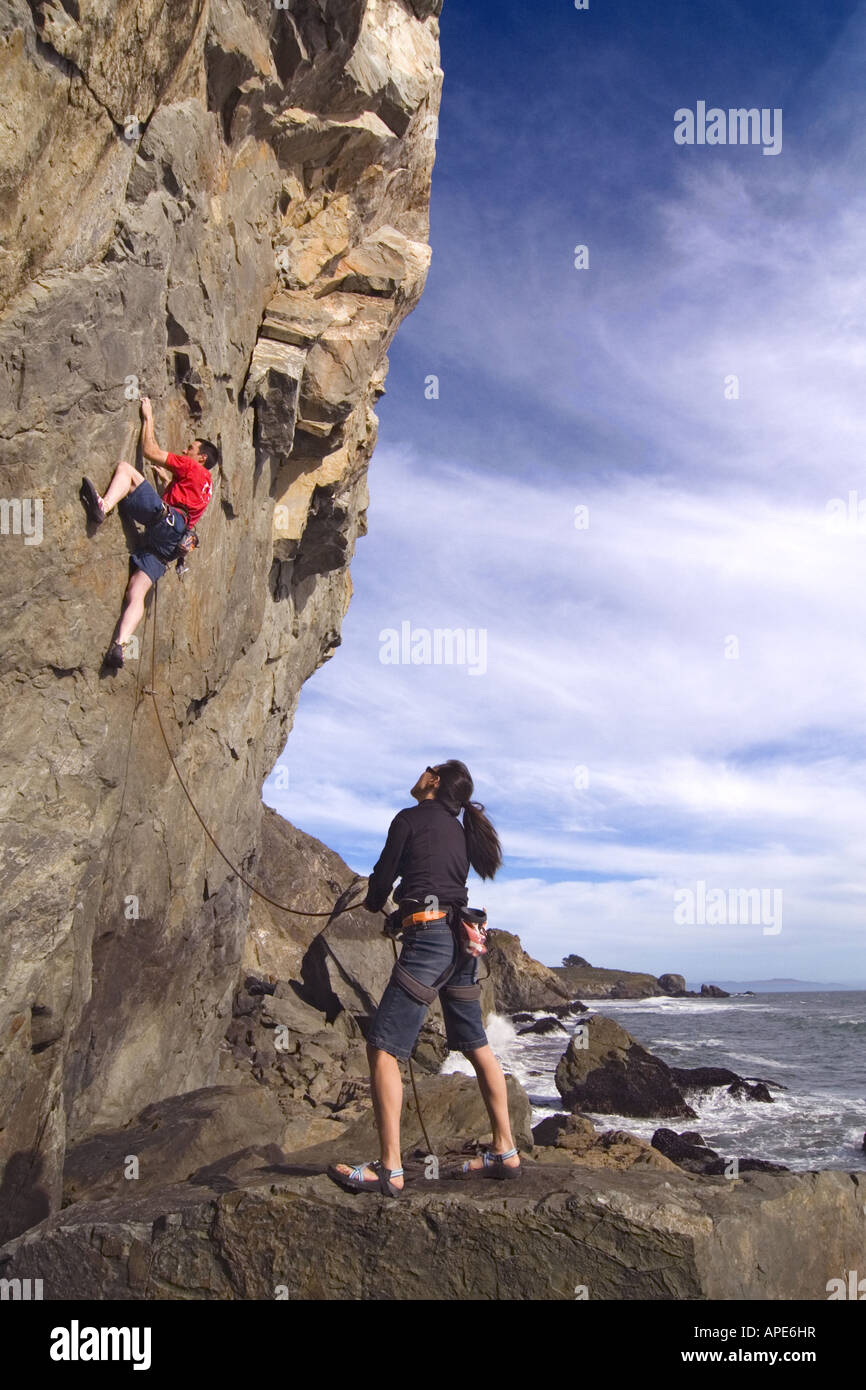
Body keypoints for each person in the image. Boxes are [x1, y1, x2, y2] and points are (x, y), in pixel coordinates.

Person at [327, 760, 521, 1196]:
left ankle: (389, 1169)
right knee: (476, 1044)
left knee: (383, 1046)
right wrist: (401, 913)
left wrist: (379, 904)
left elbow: (382, 878)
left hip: (431, 939)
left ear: (433, 781)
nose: (420, 772)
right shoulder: (460, 829)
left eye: (427, 769)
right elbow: (438, 881)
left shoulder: (409, 819)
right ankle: (505, 1150)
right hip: (466, 940)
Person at [79, 396, 219, 668]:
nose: (185, 450)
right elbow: (185, 502)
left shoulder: (191, 466)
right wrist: (168, 481)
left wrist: (149, 416)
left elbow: (150, 449)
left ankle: (102, 507)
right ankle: (119, 646)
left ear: (201, 457)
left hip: (166, 523)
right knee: (137, 591)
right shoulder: (207, 486)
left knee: (126, 471)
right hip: (171, 544)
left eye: (190, 448)